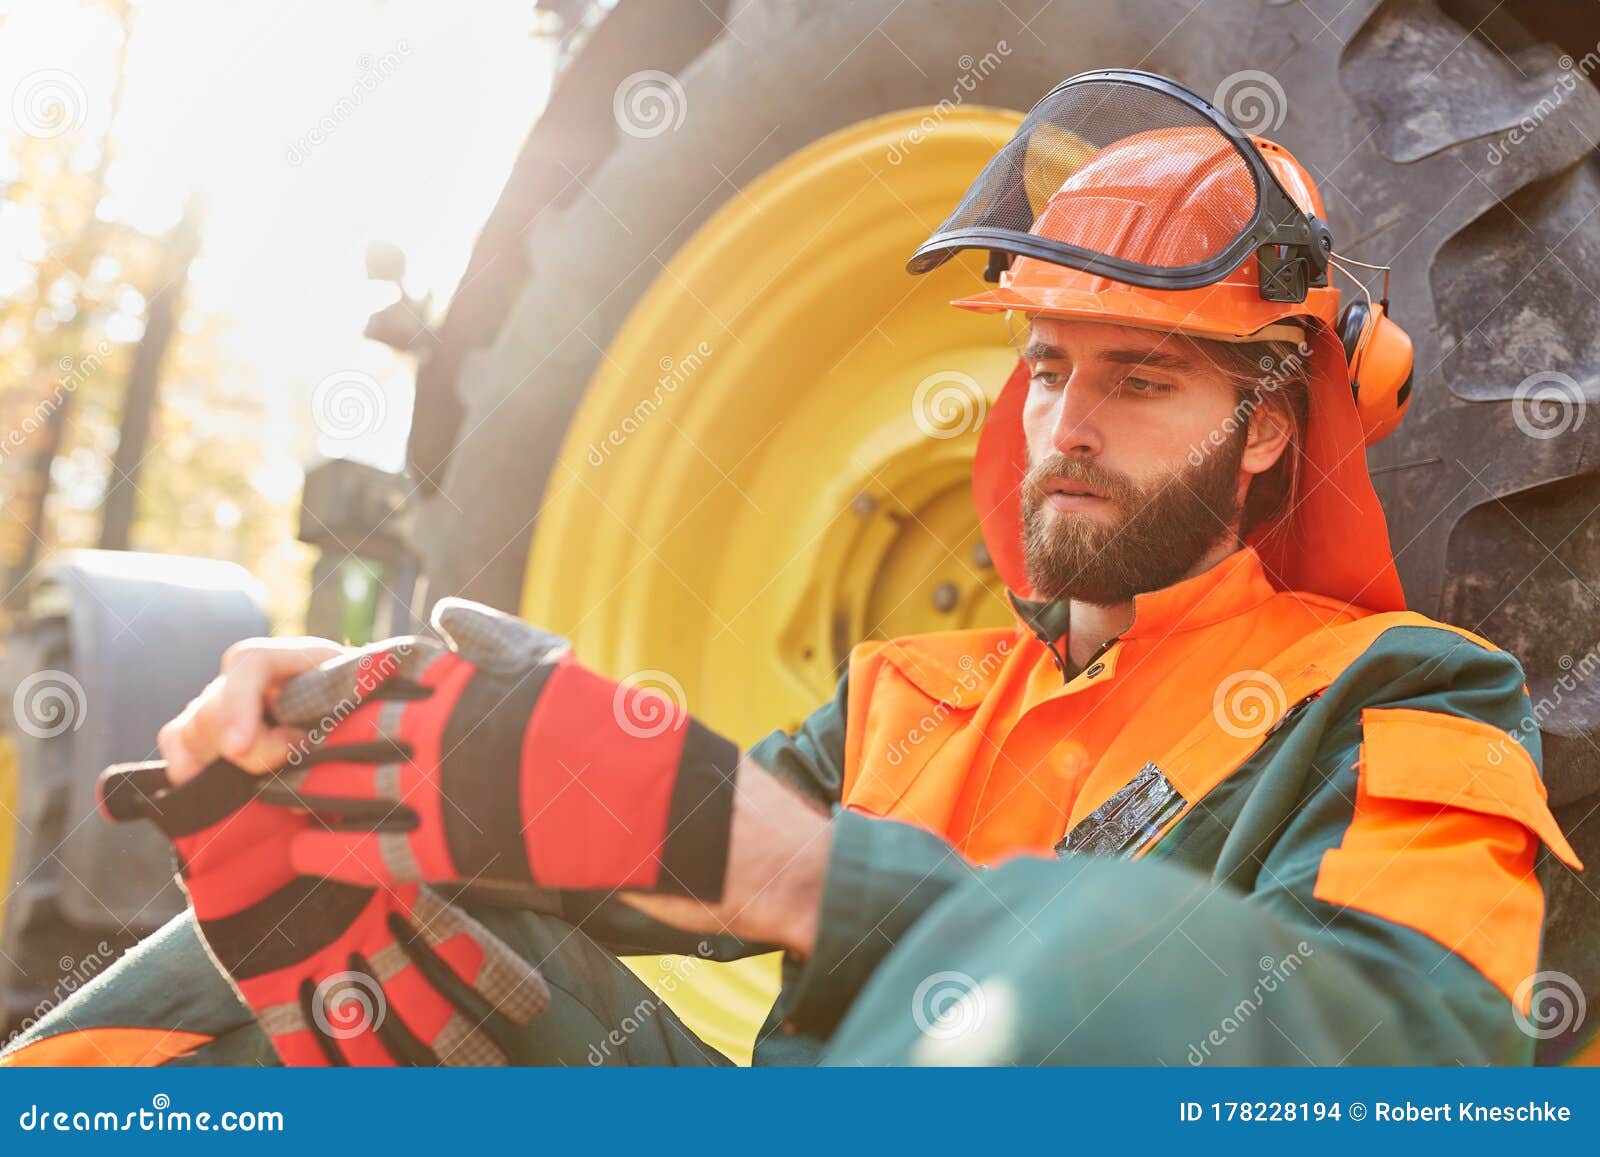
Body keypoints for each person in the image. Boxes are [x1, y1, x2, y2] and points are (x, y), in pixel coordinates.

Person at [3, 70, 1580, 1068]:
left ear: (1262, 429)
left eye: (1142, 379)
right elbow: (657, 843)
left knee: (1084, 955)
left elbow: (1414, 1055)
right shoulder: (903, 696)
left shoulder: (1406, 696)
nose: (1067, 424)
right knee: (323, 932)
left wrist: (820, 876)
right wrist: (413, 769)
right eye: (1045, 367)